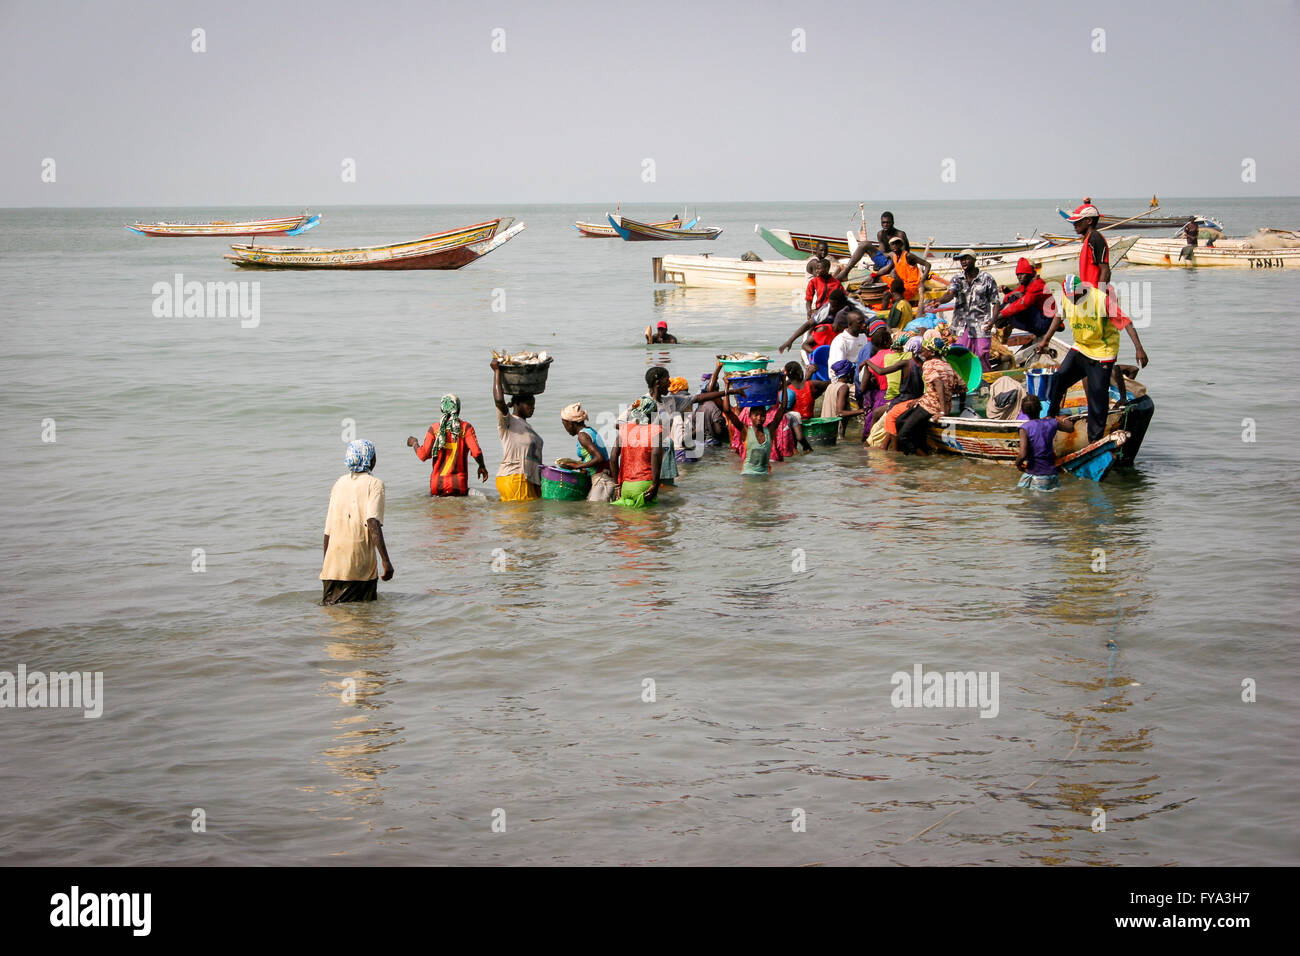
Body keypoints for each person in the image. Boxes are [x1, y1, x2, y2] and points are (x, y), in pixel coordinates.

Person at [1037, 274, 1149, 443]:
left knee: (1098, 396)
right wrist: (1046, 339)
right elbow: (1059, 316)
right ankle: (1051, 417)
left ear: (1081, 291)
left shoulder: (1100, 299)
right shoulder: (1067, 298)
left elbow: (1126, 322)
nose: (1072, 300)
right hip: (1081, 347)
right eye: (1069, 297)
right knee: (1059, 379)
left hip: (1102, 352)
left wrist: (1139, 349)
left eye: (1075, 297)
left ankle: (1094, 440)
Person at [320, 439, 393, 605]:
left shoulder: (339, 483)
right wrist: (385, 561)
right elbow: (372, 521)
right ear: (370, 460)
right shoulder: (374, 484)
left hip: (332, 566)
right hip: (358, 564)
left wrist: (326, 563)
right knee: (364, 622)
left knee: (334, 618)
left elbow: (328, 529)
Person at [406, 394, 488, 497]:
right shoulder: (465, 428)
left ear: (441, 409)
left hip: (437, 486)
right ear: (458, 409)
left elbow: (423, 455)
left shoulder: (434, 429)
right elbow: (476, 452)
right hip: (459, 486)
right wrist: (482, 466)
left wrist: (414, 443)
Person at [930, 249, 1000, 369]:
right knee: (963, 353)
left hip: (982, 323)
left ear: (974, 260)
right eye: (961, 260)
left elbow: (996, 302)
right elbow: (950, 293)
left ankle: (985, 382)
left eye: (966, 258)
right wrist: (939, 301)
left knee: (982, 353)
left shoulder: (987, 278)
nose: (964, 262)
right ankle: (966, 383)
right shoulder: (957, 278)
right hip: (963, 324)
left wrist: (993, 321)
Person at [893, 338, 964, 455]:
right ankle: (916, 453)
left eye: (924, 350)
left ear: (931, 353)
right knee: (900, 420)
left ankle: (924, 458)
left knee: (903, 436)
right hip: (931, 403)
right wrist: (961, 407)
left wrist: (942, 411)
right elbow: (962, 388)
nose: (922, 353)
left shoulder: (928, 364)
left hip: (930, 406)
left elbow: (939, 384)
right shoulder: (948, 366)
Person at [490, 358, 544, 501]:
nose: (532, 408)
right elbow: (499, 401)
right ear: (516, 404)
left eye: (533, 405)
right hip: (513, 478)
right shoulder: (508, 421)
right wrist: (497, 372)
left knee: (527, 521)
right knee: (519, 520)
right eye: (528, 404)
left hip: (527, 480)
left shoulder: (528, 428)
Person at [608, 388, 665, 507]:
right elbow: (655, 454)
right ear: (652, 414)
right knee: (650, 521)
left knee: (627, 519)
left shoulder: (624, 429)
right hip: (645, 485)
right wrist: (655, 484)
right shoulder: (655, 430)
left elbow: (613, 458)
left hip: (626, 486)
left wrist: (617, 484)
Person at [555, 402, 617, 502]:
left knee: (595, 512)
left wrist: (576, 466)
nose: (565, 428)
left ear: (571, 423)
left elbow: (599, 458)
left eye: (564, 424)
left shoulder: (582, 436)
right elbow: (593, 456)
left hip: (602, 478)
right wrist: (581, 464)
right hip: (605, 475)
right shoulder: (590, 431)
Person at [1015, 395, 1076, 491]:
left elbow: (1023, 454)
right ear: (1040, 408)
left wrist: (1017, 463)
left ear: (1023, 411)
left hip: (1036, 475)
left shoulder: (1025, 428)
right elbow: (1070, 428)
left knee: (1030, 502)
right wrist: (1062, 418)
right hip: (1051, 474)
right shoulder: (1051, 422)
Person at [996, 258, 1053, 337]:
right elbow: (1009, 297)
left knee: (1014, 303)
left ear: (1030, 274)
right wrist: (1006, 291)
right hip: (1038, 320)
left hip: (1044, 324)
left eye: (1022, 274)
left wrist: (999, 315)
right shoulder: (1026, 284)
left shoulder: (1038, 285)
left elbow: (1023, 304)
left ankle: (1002, 325)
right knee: (1013, 298)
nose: (1019, 277)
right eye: (1018, 275)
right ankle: (1001, 325)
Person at [873, 236, 930, 305]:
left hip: (912, 285)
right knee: (878, 278)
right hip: (902, 284)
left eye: (896, 244)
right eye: (892, 244)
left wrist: (922, 281)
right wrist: (873, 276)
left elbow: (927, 265)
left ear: (901, 245)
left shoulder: (908, 256)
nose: (894, 246)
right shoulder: (895, 257)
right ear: (890, 247)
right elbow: (888, 269)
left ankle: (885, 310)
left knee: (887, 295)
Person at [1064, 202, 1111, 288]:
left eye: (1078, 221)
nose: (1074, 224)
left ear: (1089, 221)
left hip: (1096, 294)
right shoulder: (1088, 239)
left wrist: (1100, 295)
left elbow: (1105, 270)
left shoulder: (1095, 237)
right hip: (1089, 294)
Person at [822, 360, 863, 437]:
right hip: (835, 432)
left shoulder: (830, 385)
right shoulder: (843, 387)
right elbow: (840, 413)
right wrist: (862, 411)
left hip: (824, 429)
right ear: (848, 374)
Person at [828, 310, 870, 380]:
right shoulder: (840, 341)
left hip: (859, 373)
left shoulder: (863, 336)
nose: (864, 325)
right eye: (860, 323)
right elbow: (839, 368)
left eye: (864, 322)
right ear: (850, 324)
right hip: (842, 378)